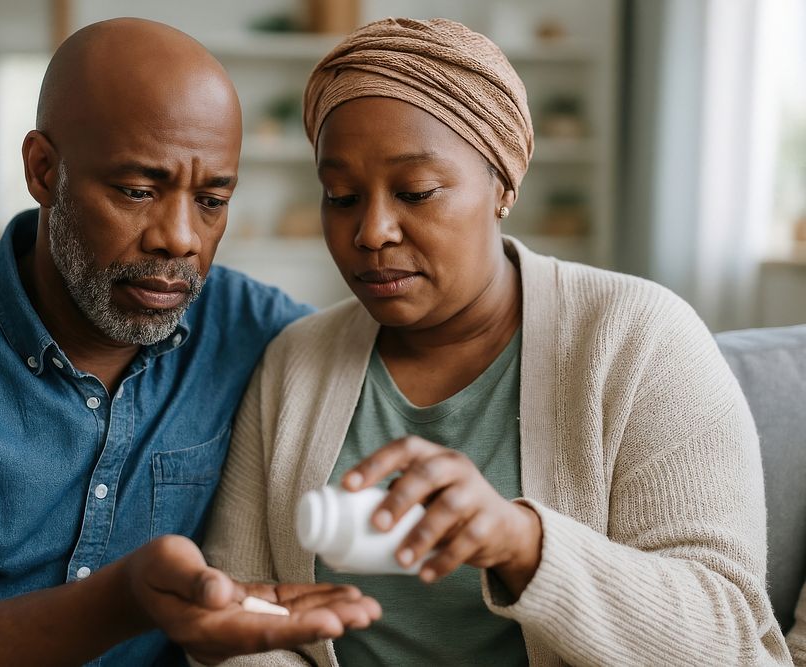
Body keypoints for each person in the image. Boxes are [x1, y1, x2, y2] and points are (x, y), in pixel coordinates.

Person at [203, 17, 792, 666]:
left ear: (503, 185)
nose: (371, 231)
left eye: (415, 191)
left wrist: (524, 544)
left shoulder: (638, 340)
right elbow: (242, 620)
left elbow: (729, 637)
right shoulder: (297, 362)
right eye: (341, 197)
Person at [0, 18, 380, 667]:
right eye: (138, 191)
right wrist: (120, 604)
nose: (180, 238)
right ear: (43, 169)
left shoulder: (259, 334)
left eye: (213, 200)